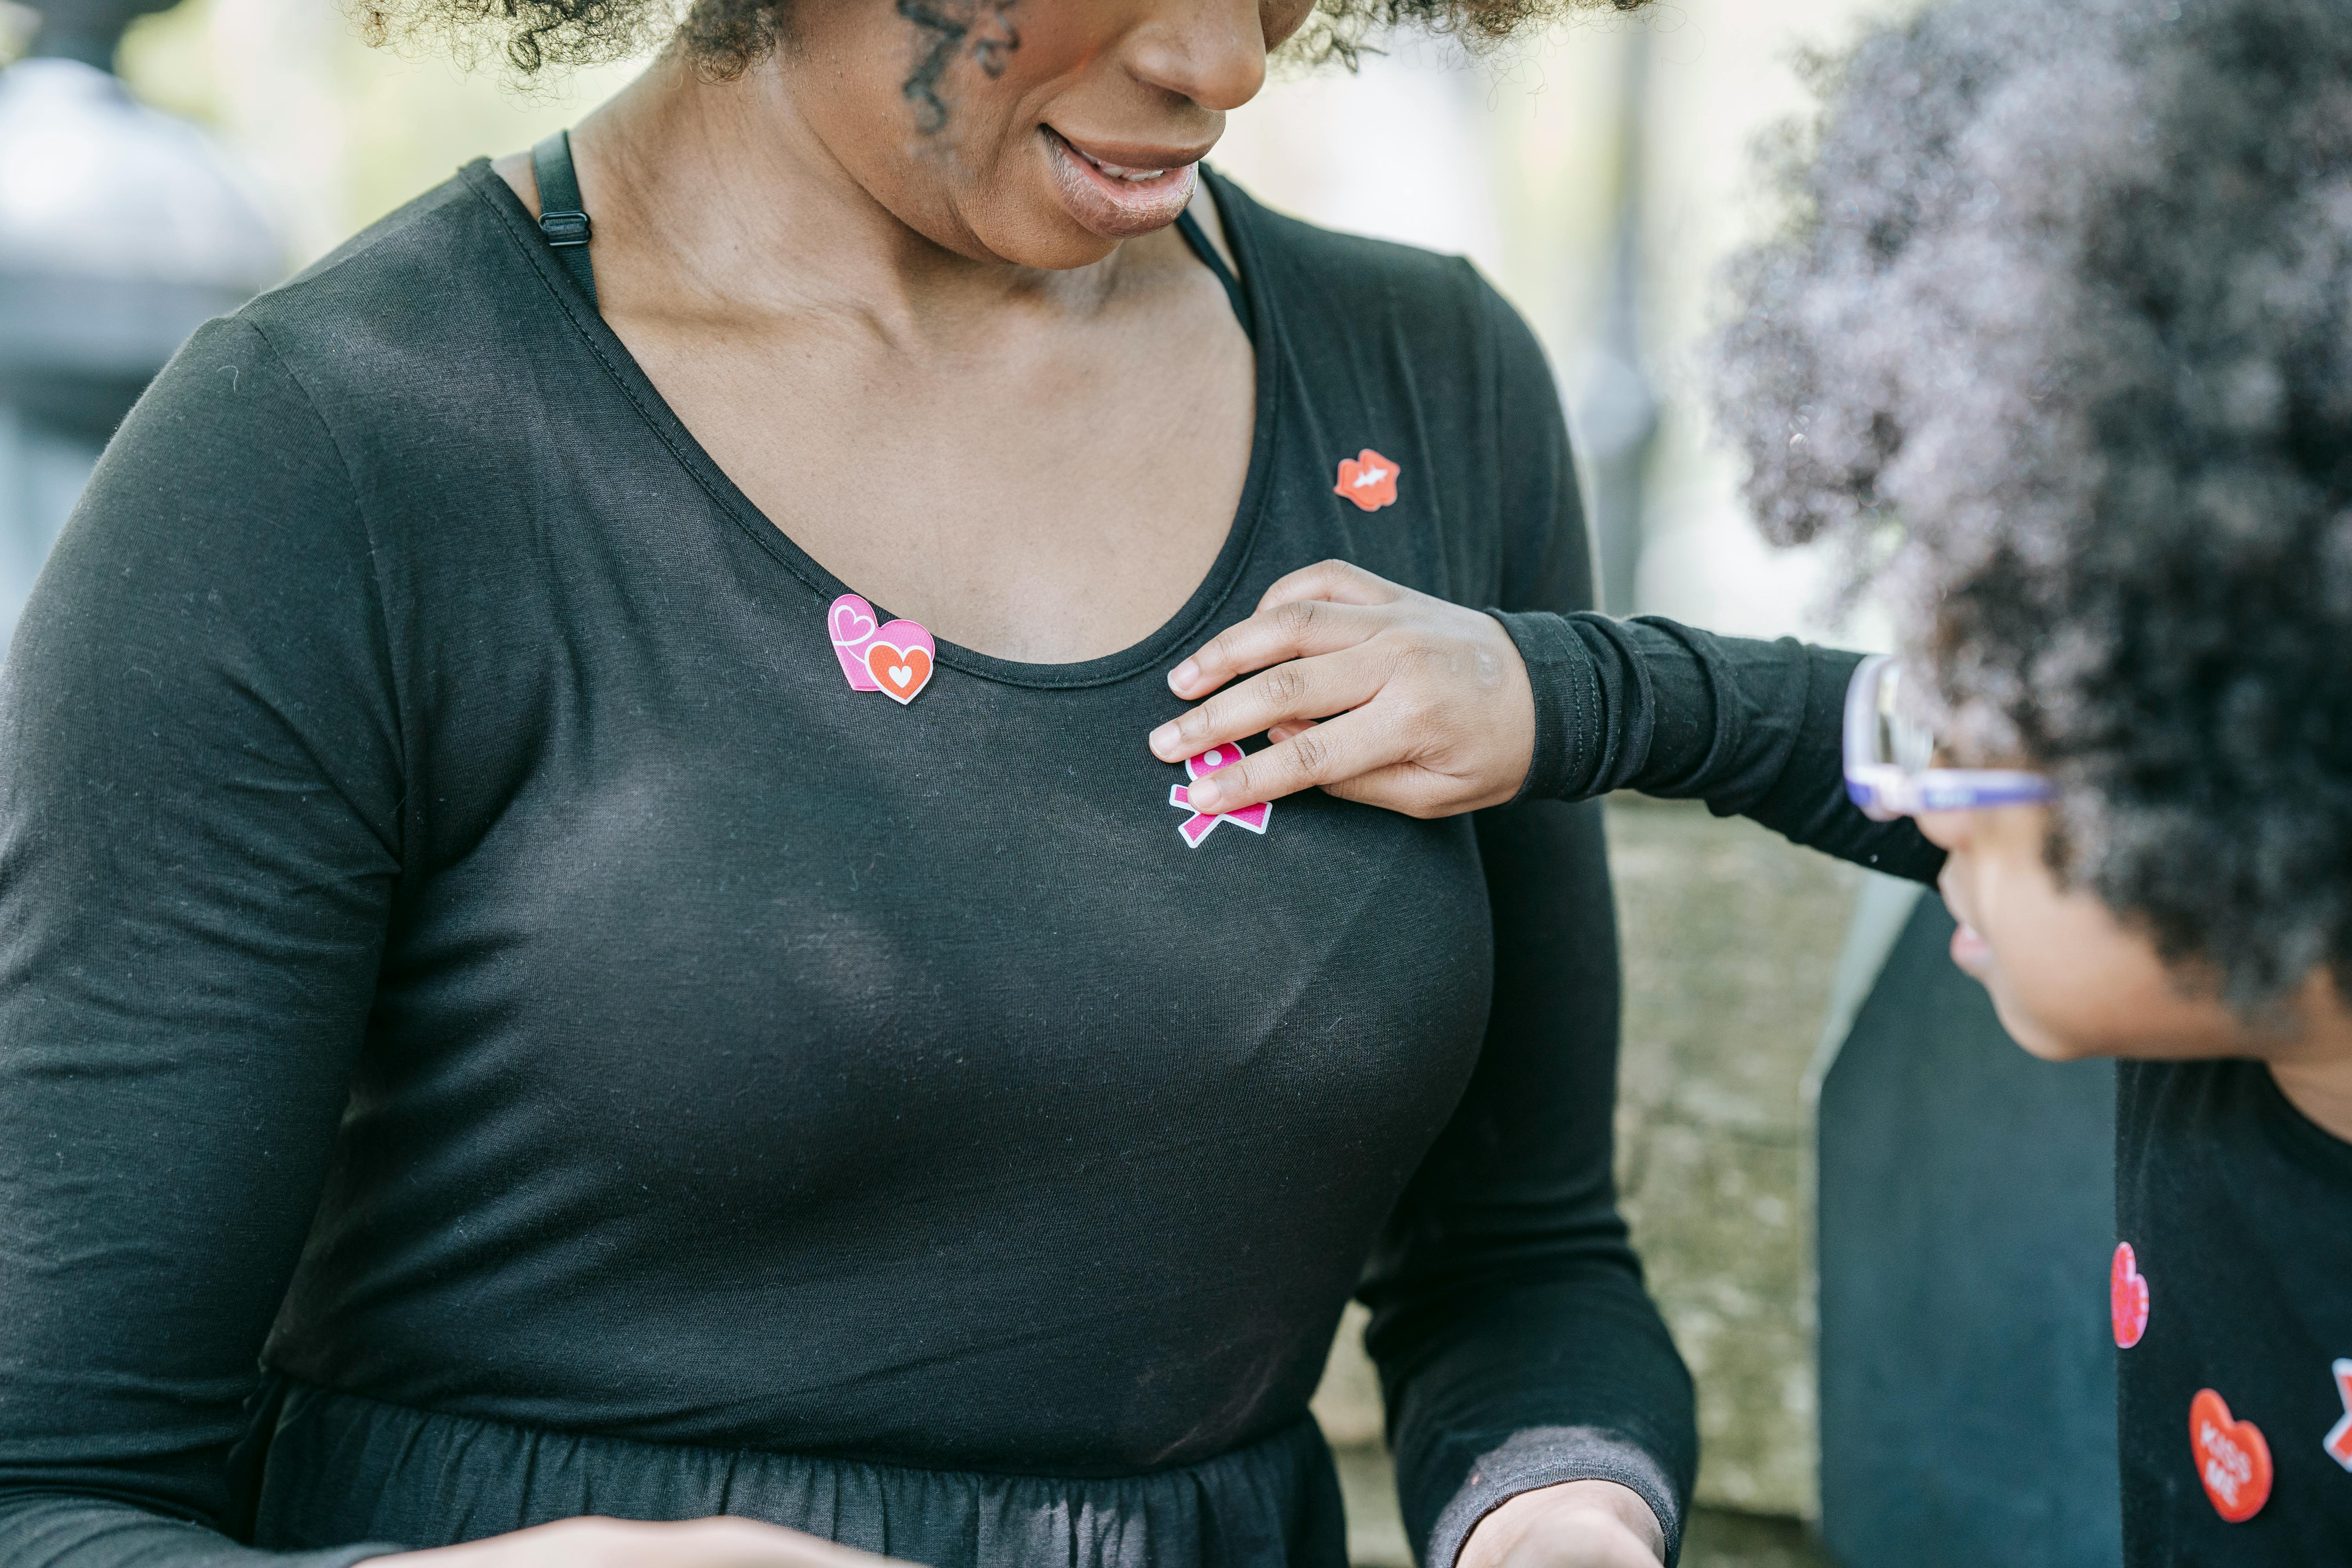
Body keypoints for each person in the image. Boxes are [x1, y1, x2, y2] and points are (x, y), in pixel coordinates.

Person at [0, 0, 1753, 1565]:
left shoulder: (1426, 392)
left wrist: (1559, 1513)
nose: (1225, 59)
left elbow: (1516, 1264)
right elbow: (45, 1485)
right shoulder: (335, 448)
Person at [1150, 0, 2352, 1561]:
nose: (1906, 788)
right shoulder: (2204, 912)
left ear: (2254, 761)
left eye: (1969, 720)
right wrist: (1553, 691)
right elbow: (1808, 726)